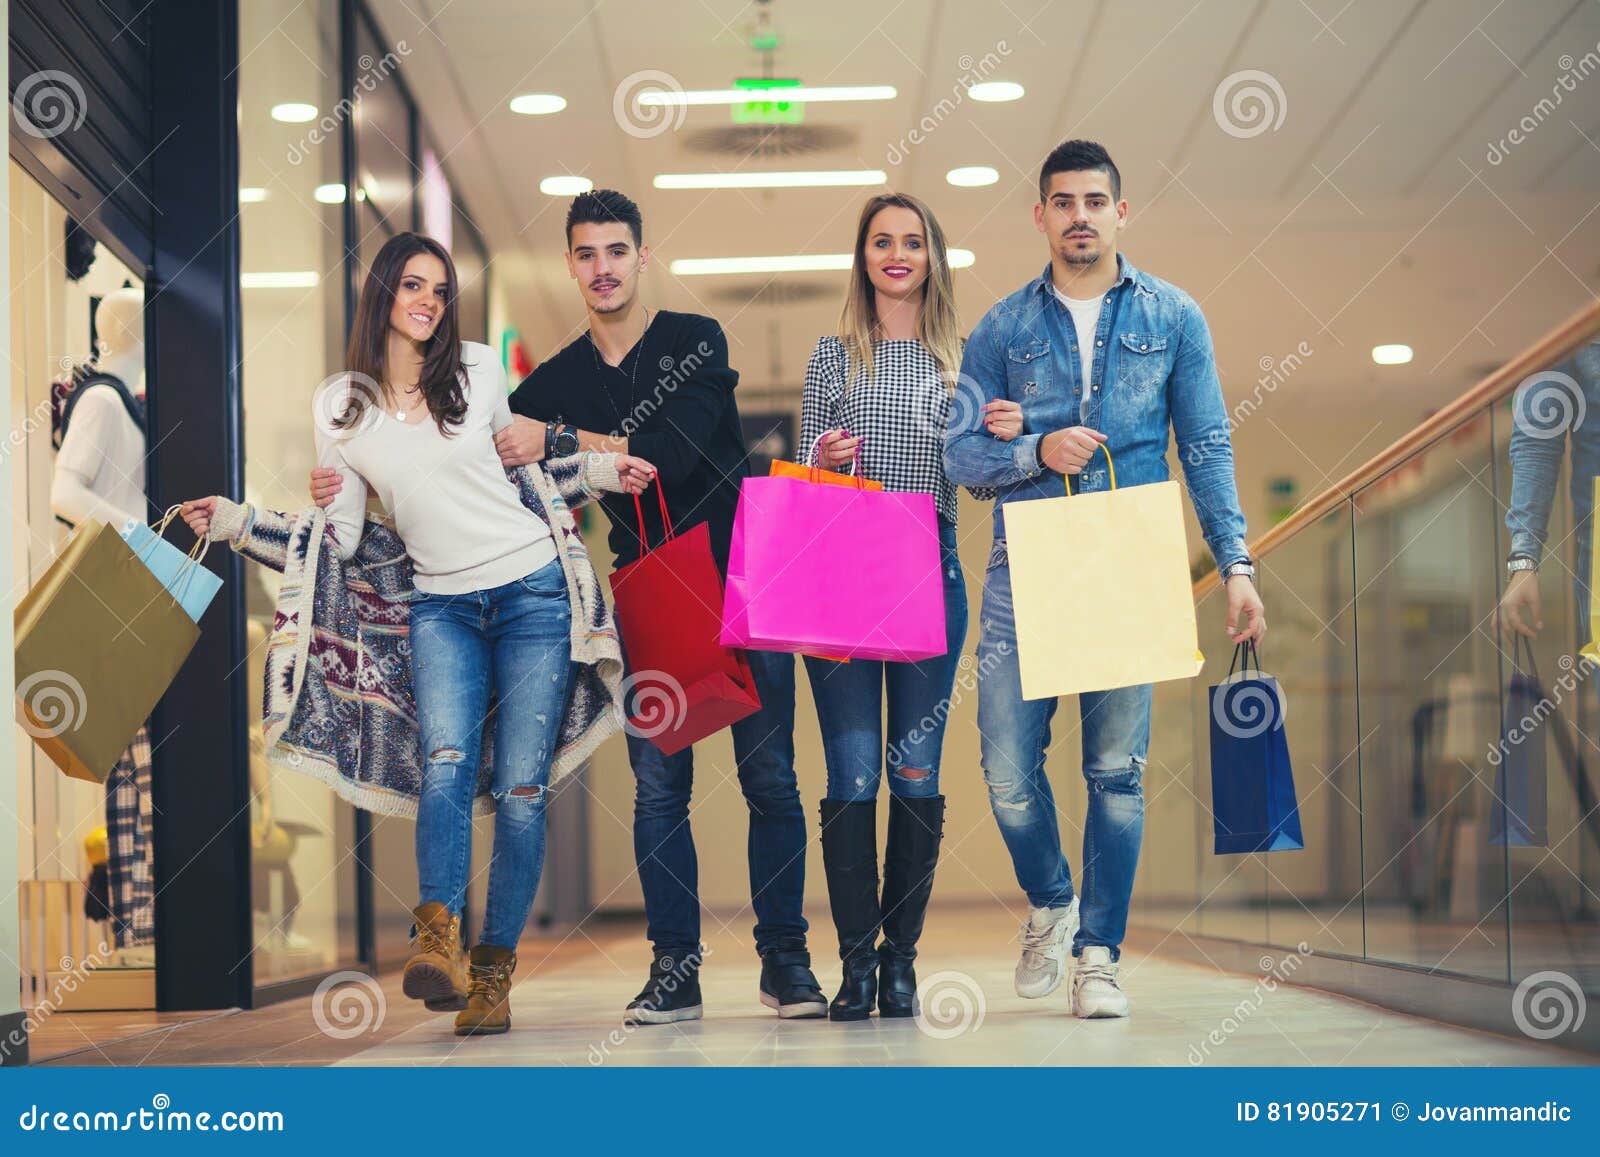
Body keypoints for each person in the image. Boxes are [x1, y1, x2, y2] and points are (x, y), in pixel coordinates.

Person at [310, 191, 826, 1024]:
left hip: (744, 577)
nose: (603, 268)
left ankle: (787, 963)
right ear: (570, 266)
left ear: (642, 258)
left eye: (617, 251)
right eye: (586, 254)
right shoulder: (549, 381)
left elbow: (676, 454)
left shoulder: (696, 341)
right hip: (650, 588)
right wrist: (344, 492)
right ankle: (675, 970)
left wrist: (563, 439)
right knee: (660, 787)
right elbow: (456, 466)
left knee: (771, 777)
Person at [187, 230, 655, 1037]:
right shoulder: (342, 403)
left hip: (533, 592)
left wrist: (604, 466)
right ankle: (438, 932)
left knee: (520, 789)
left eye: (439, 290)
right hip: (439, 604)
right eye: (413, 285)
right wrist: (243, 520)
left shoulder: (475, 368)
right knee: (444, 762)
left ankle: (494, 972)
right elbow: (335, 541)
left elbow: (523, 471)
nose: (428, 302)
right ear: (383, 294)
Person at [944, 140, 1266, 1019]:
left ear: (1122, 212)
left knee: (1115, 771)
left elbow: (1204, 445)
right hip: (1027, 560)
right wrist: (1032, 448)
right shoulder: (1003, 329)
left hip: (1130, 556)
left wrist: (1235, 562)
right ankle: (1054, 901)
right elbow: (961, 454)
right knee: (1008, 768)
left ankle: (1099, 953)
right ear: (1040, 216)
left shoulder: (1174, 316)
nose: (1079, 215)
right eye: (1062, 201)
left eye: (1095, 200)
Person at [798, 192, 1021, 1020]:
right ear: (862, 258)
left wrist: (998, 432)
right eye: (881, 242)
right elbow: (805, 469)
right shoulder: (832, 356)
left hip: (928, 565)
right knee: (853, 773)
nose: (897, 254)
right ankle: (856, 965)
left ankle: (901, 962)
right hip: (844, 571)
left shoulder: (963, 361)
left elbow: (970, 479)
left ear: (933, 257)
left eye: (912, 242)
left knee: (914, 770)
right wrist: (823, 453)